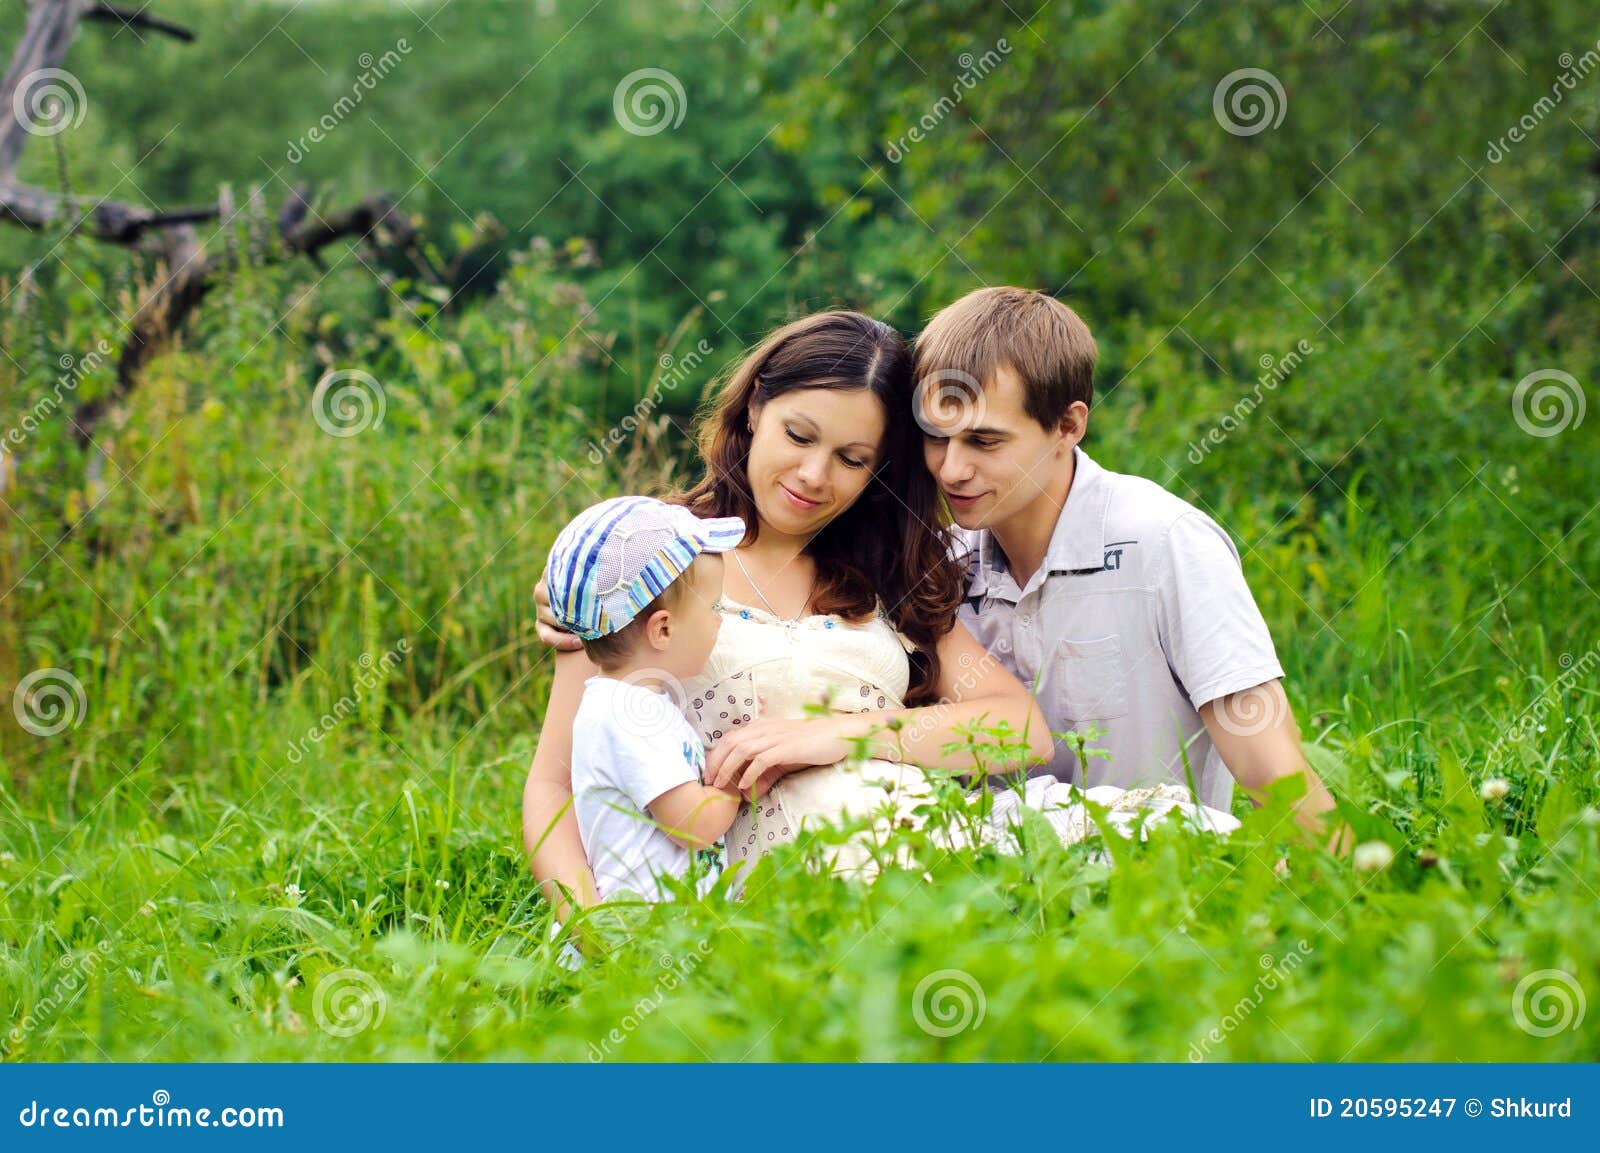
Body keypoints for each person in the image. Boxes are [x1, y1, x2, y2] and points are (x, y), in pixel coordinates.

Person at [524, 311, 1239, 925]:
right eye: (798, 435)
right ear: (755, 408)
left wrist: (835, 735)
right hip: (787, 883)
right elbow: (556, 786)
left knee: (1202, 844)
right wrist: (596, 932)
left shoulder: (887, 570)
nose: (814, 476)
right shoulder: (645, 556)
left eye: (851, 458)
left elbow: (1019, 729)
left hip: (934, 837)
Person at [911, 286, 1346, 847]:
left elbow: (1273, 771)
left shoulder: (1166, 544)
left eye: (984, 441)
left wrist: (1351, 884)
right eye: (935, 437)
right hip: (987, 886)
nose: (951, 469)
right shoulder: (939, 565)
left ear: (1068, 426)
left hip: (1155, 878)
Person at [545, 495, 745, 902]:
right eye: (713, 607)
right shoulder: (630, 717)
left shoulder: (630, 704)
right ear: (663, 630)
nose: (719, 620)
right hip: (648, 929)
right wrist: (737, 785)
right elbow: (694, 825)